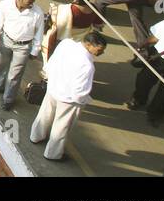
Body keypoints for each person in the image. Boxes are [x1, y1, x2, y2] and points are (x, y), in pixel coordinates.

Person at [29, 31, 107, 161]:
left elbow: (52, 60)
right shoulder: (87, 65)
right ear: (88, 44)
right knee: (61, 126)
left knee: (44, 114)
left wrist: (47, 75)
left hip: (53, 88)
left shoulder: (66, 44)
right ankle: (53, 153)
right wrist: (82, 102)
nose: (101, 53)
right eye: (99, 49)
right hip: (68, 100)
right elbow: (80, 92)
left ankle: (35, 136)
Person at [0, 0, 45, 110]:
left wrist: (35, 50)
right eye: (29, 2)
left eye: (33, 2)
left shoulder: (37, 12)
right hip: (5, 40)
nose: (31, 5)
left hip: (23, 47)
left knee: (15, 74)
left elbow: (39, 32)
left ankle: (8, 99)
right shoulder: (5, 5)